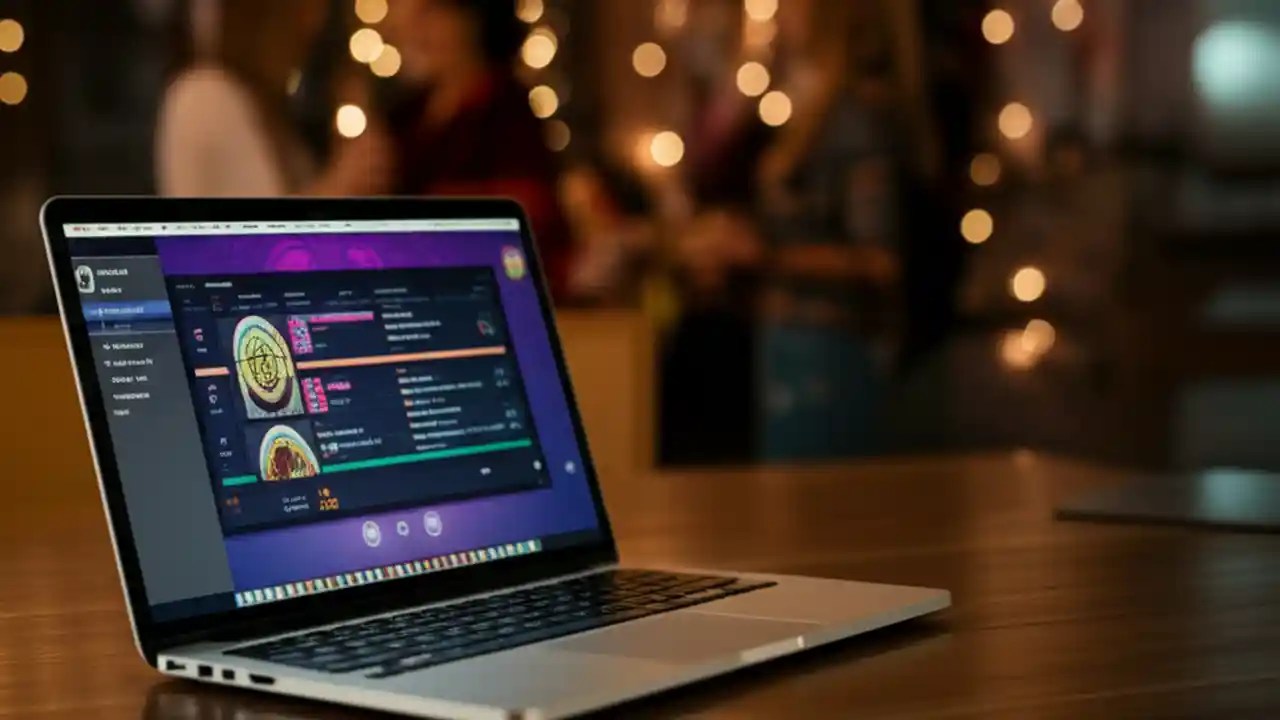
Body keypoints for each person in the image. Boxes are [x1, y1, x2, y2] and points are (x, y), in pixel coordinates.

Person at [380, 0, 572, 297]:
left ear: (473, 22)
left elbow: (529, 215)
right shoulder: (404, 117)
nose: (416, 30)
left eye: (432, 14)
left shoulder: (507, 109)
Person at [156, 0, 391, 197]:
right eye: (297, 21)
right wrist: (342, 185)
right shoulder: (206, 97)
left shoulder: (262, 106)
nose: (308, 39)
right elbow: (257, 237)